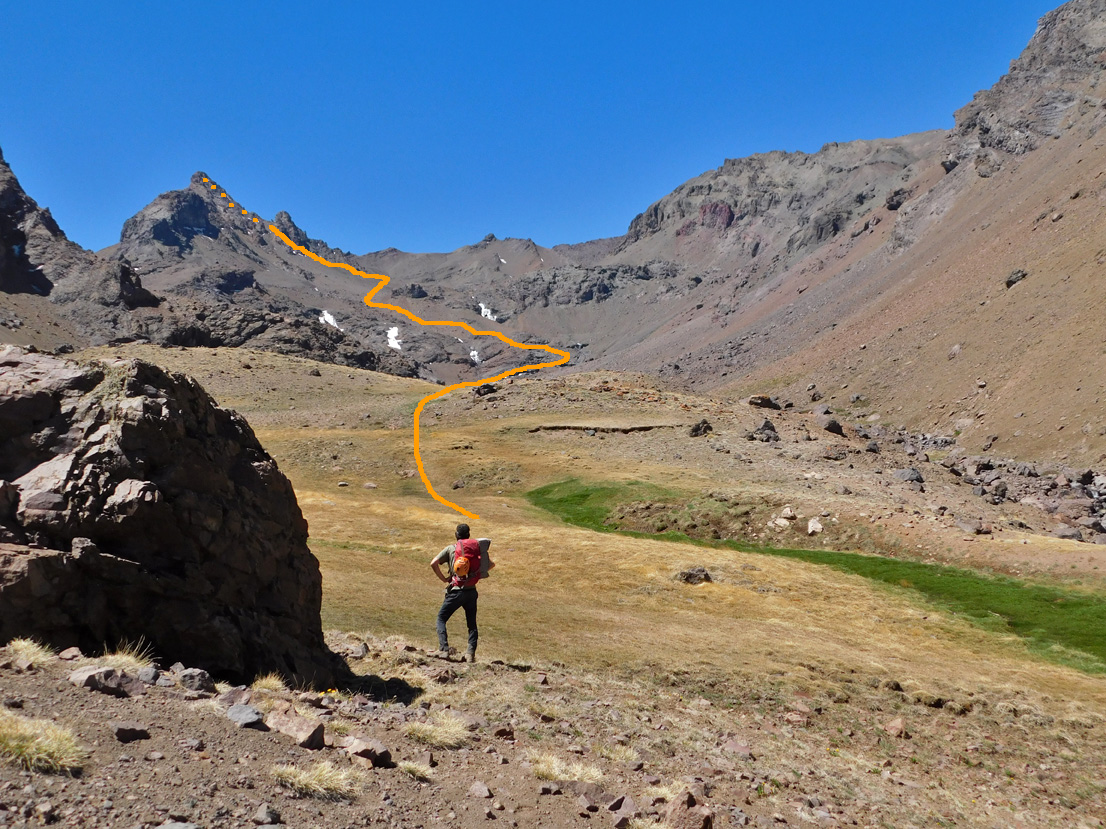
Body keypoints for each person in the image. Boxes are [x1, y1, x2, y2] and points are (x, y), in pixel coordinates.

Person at [430, 523, 494, 663]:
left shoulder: (451, 549)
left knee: (441, 618)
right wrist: (475, 574)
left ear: (456, 535)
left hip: (456, 591)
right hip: (472, 592)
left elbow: (433, 563)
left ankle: (444, 650)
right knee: (472, 624)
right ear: (468, 535)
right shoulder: (475, 549)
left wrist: (444, 579)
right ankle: (470, 654)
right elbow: (491, 565)